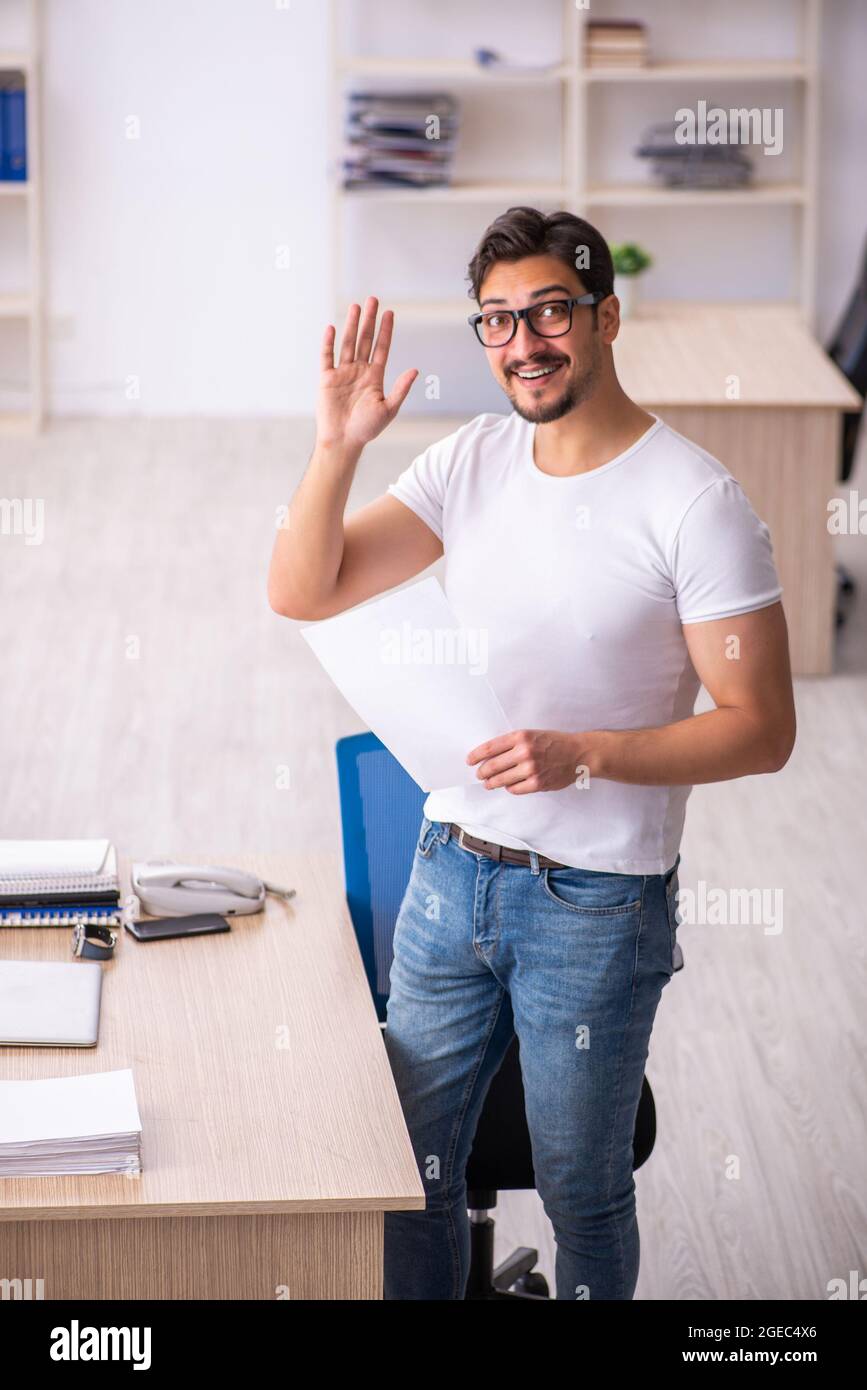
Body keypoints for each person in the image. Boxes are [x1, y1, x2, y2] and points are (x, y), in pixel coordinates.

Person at [268, 206, 796, 1300]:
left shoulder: (695, 502)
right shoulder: (474, 459)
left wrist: (585, 755)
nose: (524, 340)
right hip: (449, 867)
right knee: (405, 1168)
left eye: (550, 310)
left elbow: (763, 725)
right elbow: (302, 587)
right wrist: (336, 447)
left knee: (581, 1187)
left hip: (595, 902)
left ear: (605, 316)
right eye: (498, 320)